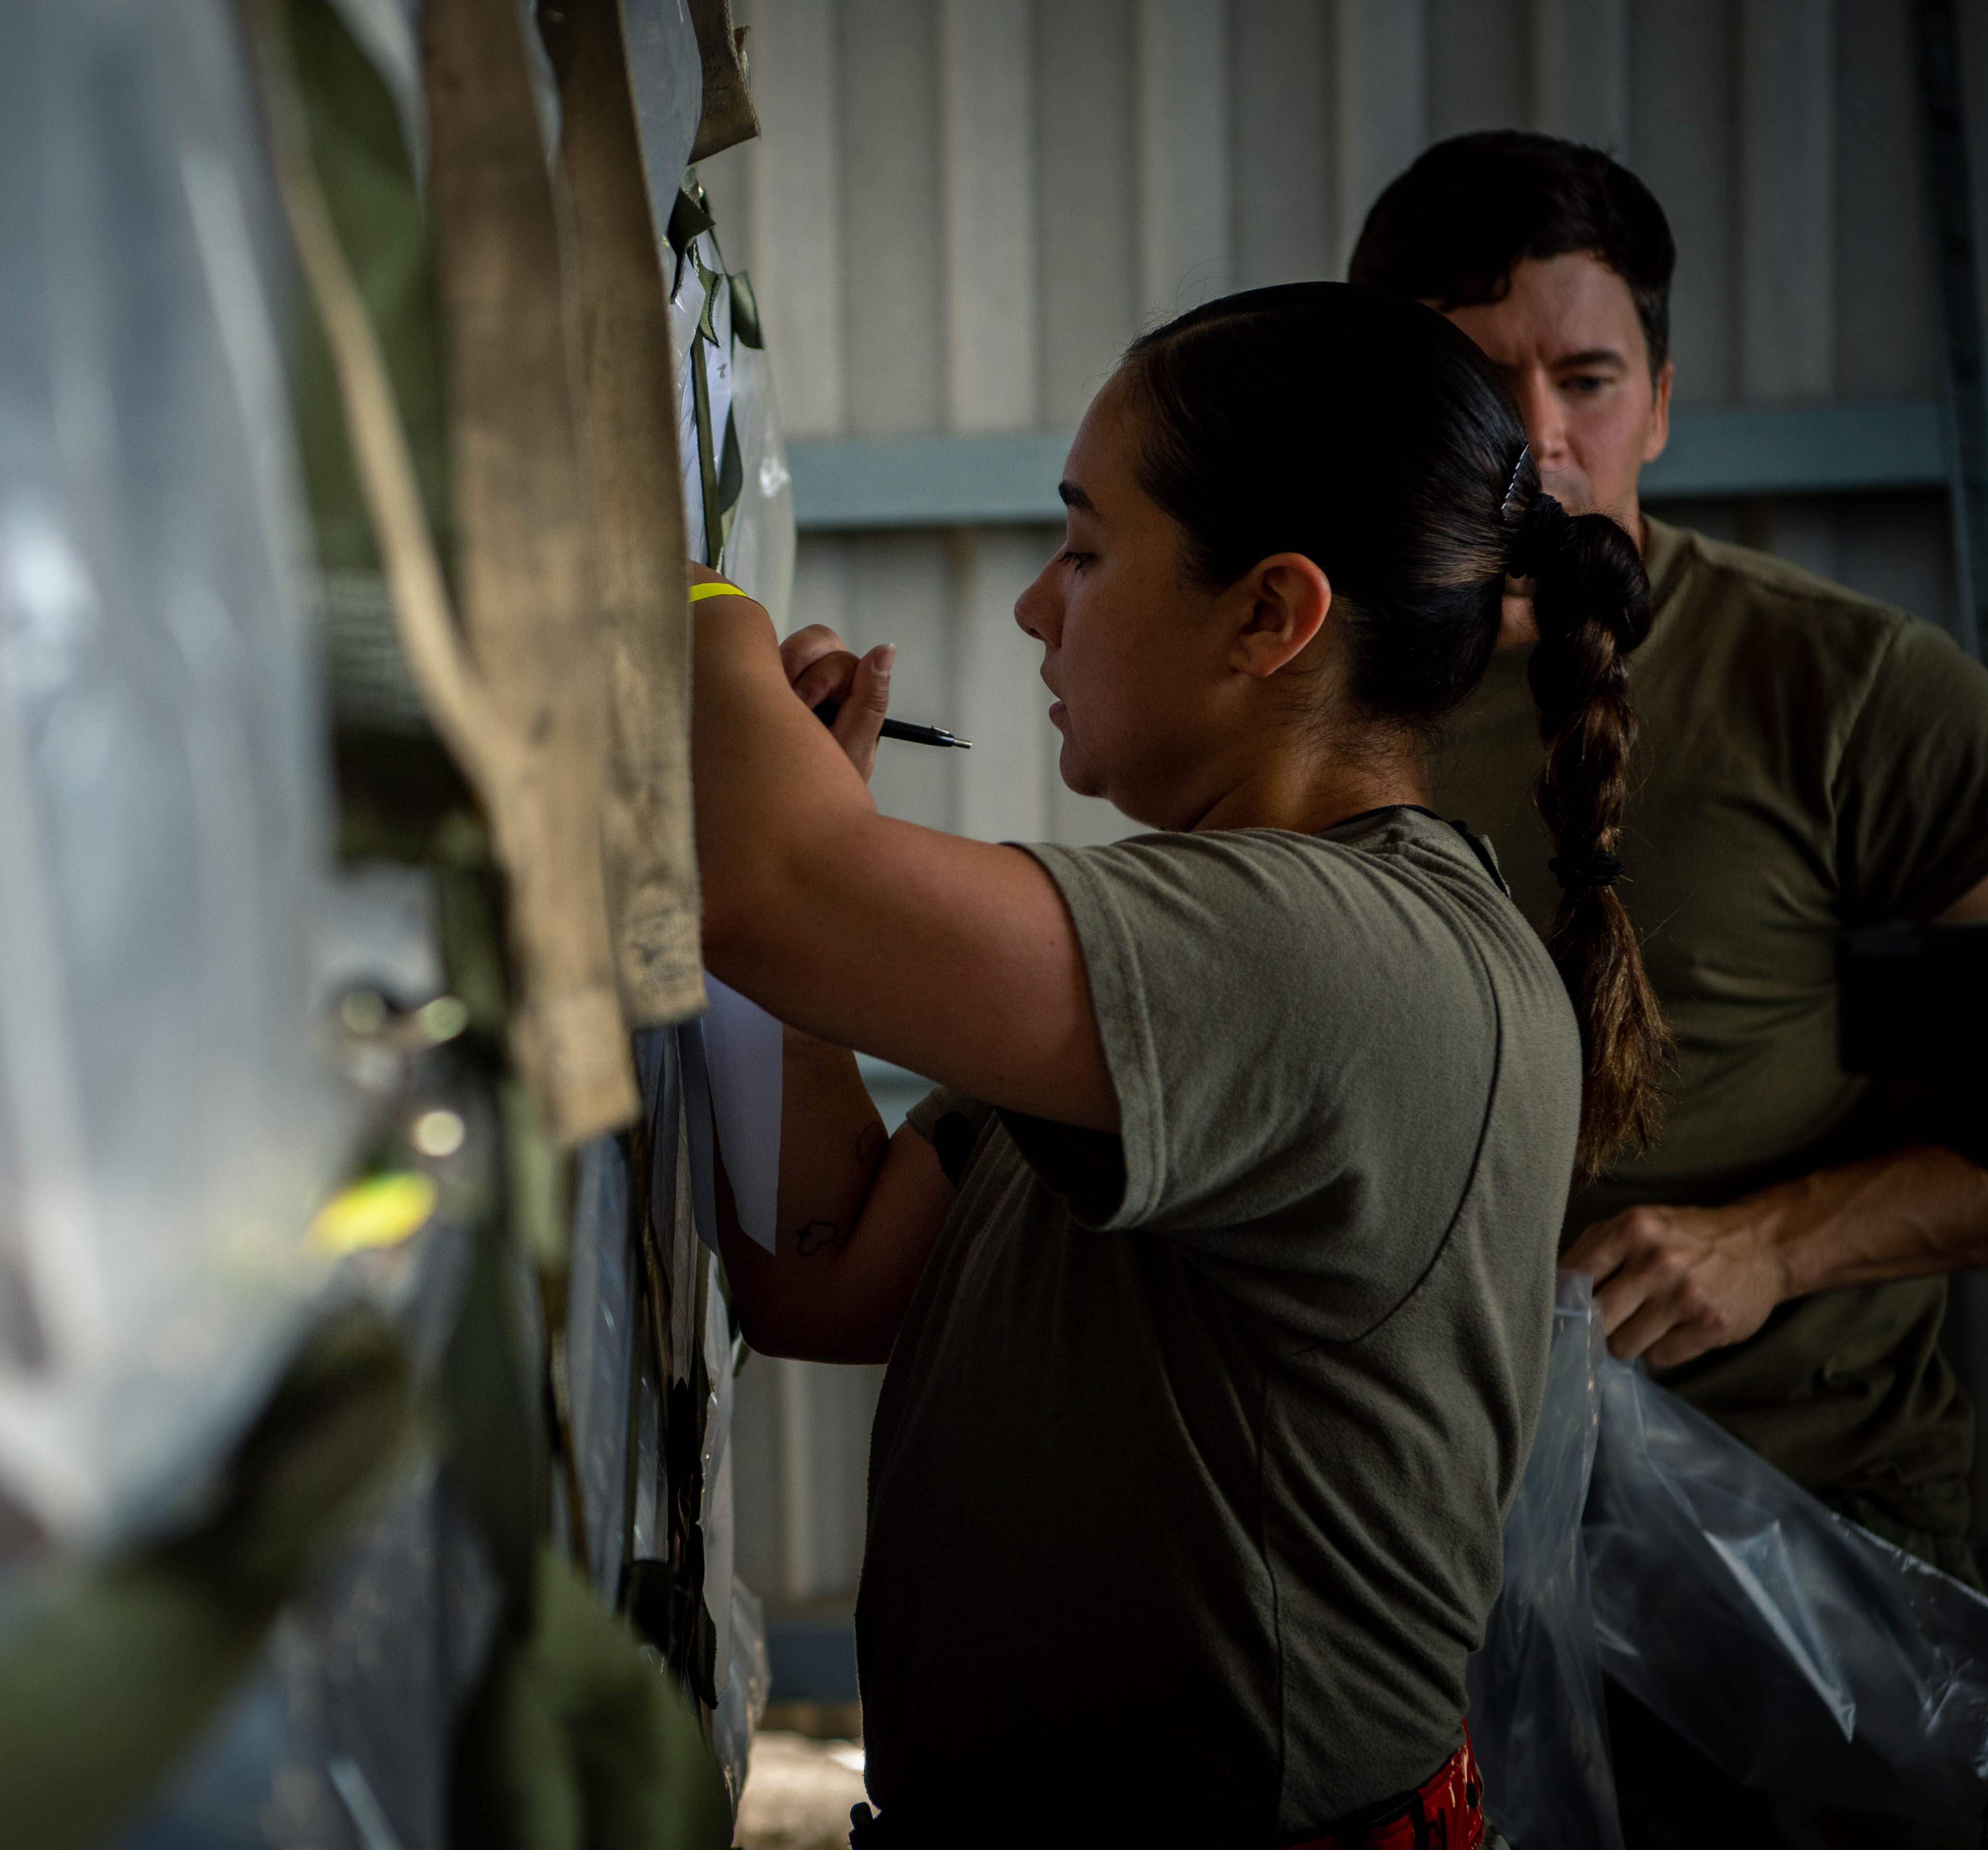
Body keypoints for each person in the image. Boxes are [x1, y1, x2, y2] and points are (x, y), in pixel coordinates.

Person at [687, 281, 1657, 1845]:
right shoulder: (1210, 954)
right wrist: (815, 889)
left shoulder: (1327, 958)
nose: (1032, 608)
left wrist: (679, 592)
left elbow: (764, 884)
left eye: (1084, 551)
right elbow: (827, 1278)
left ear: (1273, 616)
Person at [1350, 128, 1988, 1844]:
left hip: (1813, 1546)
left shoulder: (1847, 696)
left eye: (1590, 377)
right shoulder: (1296, 687)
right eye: (1482, 384)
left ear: (1666, 397)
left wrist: (1771, 1244)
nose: (1544, 438)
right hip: (1404, 1551)